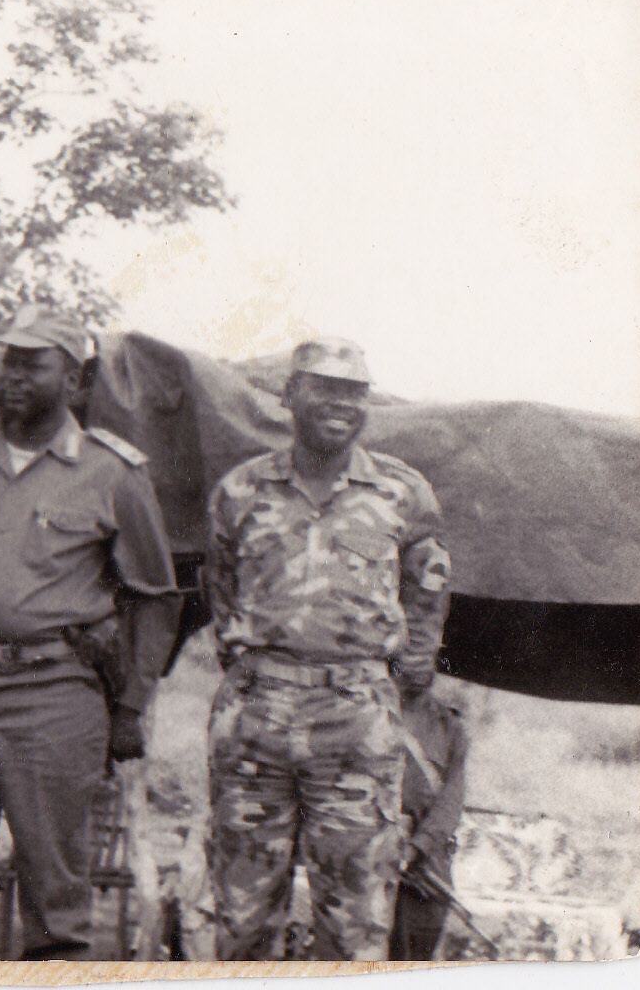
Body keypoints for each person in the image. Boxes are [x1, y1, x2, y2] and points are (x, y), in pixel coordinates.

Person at [0, 305, 181, 961]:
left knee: (55, 901)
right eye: (8, 362)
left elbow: (154, 599)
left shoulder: (114, 472)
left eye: (32, 363)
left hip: (54, 694)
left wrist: (130, 705)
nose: (13, 376)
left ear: (74, 381)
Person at [203, 338, 451, 960]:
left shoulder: (402, 492)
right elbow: (221, 589)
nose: (342, 403)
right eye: (324, 387)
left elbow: (428, 586)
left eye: (355, 391)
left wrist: (406, 671)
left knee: (356, 914)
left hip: (355, 721)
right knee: (243, 910)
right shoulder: (240, 492)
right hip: (256, 718)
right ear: (289, 396)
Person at [389, 669, 469, 961]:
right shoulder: (366, 711)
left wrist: (415, 848)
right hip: (373, 853)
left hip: (425, 866)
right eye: (412, 649)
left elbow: (451, 802)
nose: (419, 664)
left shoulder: (451, 727)